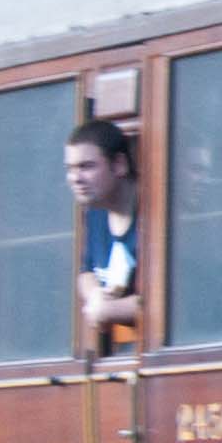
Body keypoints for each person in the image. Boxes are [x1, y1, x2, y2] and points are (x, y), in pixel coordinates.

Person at [69, 116, 144, 355]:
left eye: (87, 167)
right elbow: (86, 271)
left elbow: (165, 300)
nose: (75, 179)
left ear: (120, 165)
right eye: (70, 169)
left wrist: (107, 311)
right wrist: (95, 296)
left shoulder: (153, 211)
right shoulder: (95, 213)